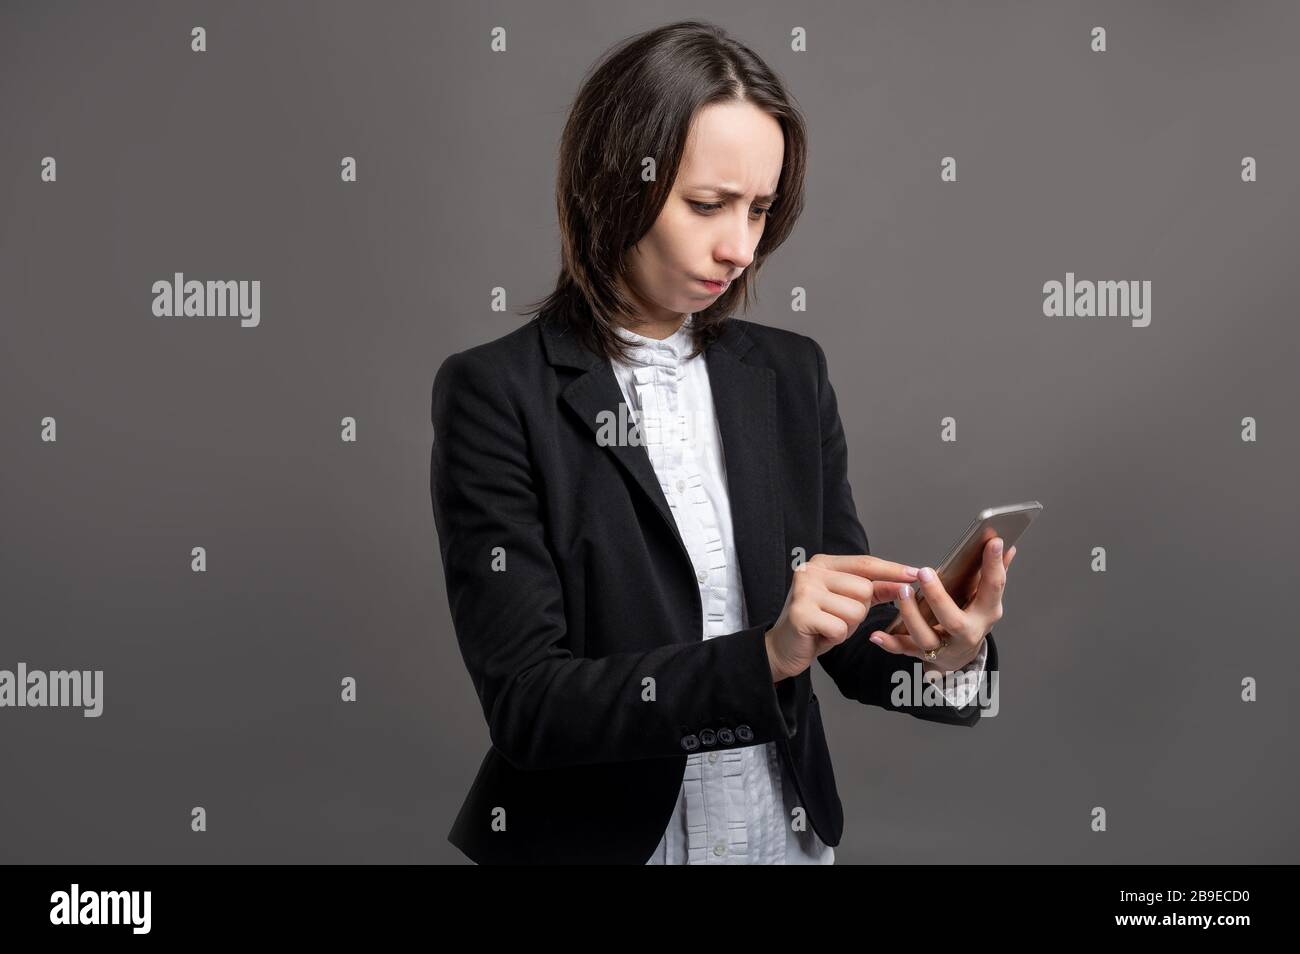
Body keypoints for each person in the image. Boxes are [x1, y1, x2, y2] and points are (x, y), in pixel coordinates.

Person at [430, 20, 1017, 865]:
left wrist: (951, 656)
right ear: (611, 183)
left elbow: (848, 646)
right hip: (601, 845)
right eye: (707, 205)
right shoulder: (496, 393)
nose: (740, 248)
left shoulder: (788, 373)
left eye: (761, 209)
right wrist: (767, 655)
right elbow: (529, 704)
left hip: (782, 833)